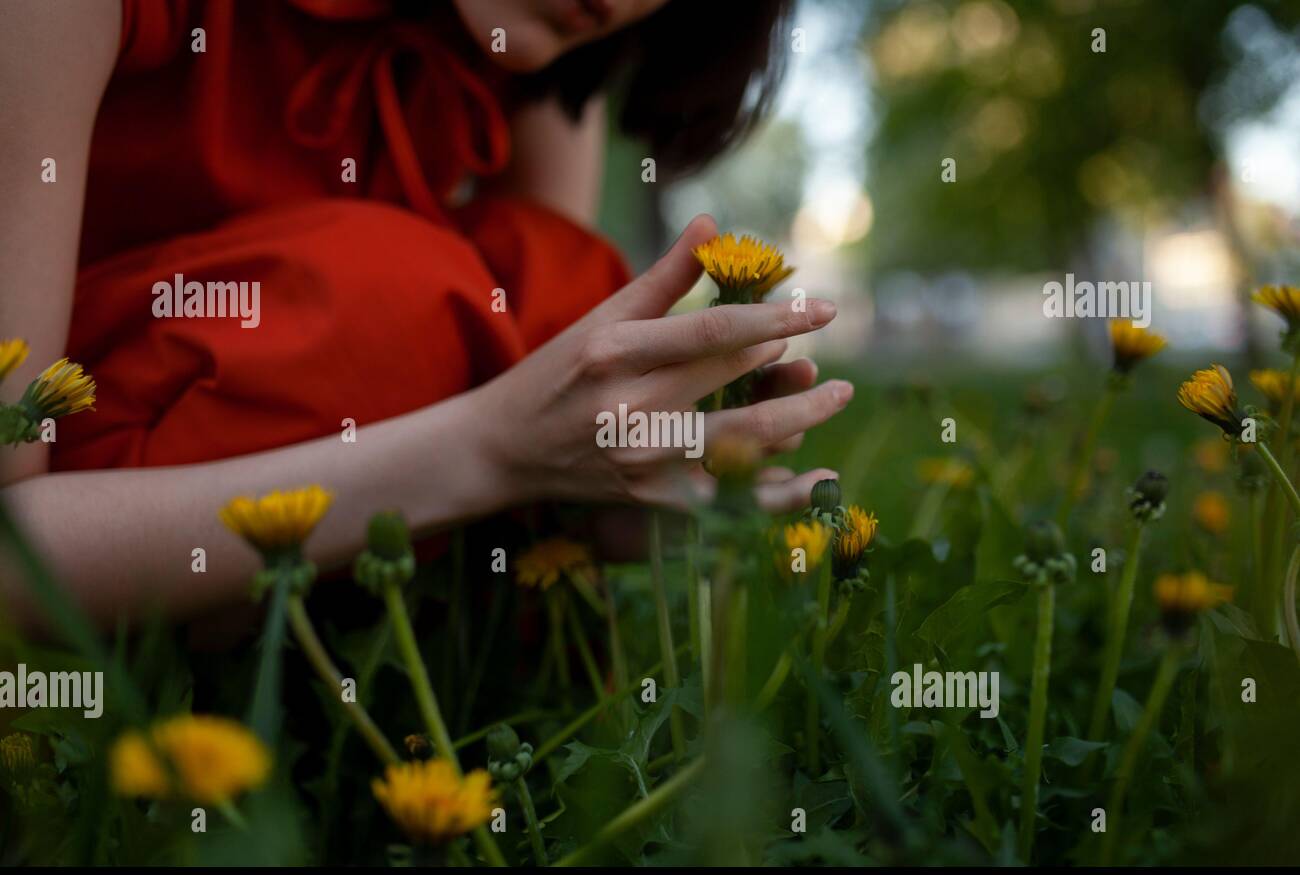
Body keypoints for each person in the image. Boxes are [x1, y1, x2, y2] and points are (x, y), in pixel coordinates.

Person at [0, 0, 851, 623]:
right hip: (87, 511)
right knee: (399, 306)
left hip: (362, 593)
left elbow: (538, 350)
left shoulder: (540, 41)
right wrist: (490, 451)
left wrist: (617, 489)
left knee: (561, 294)